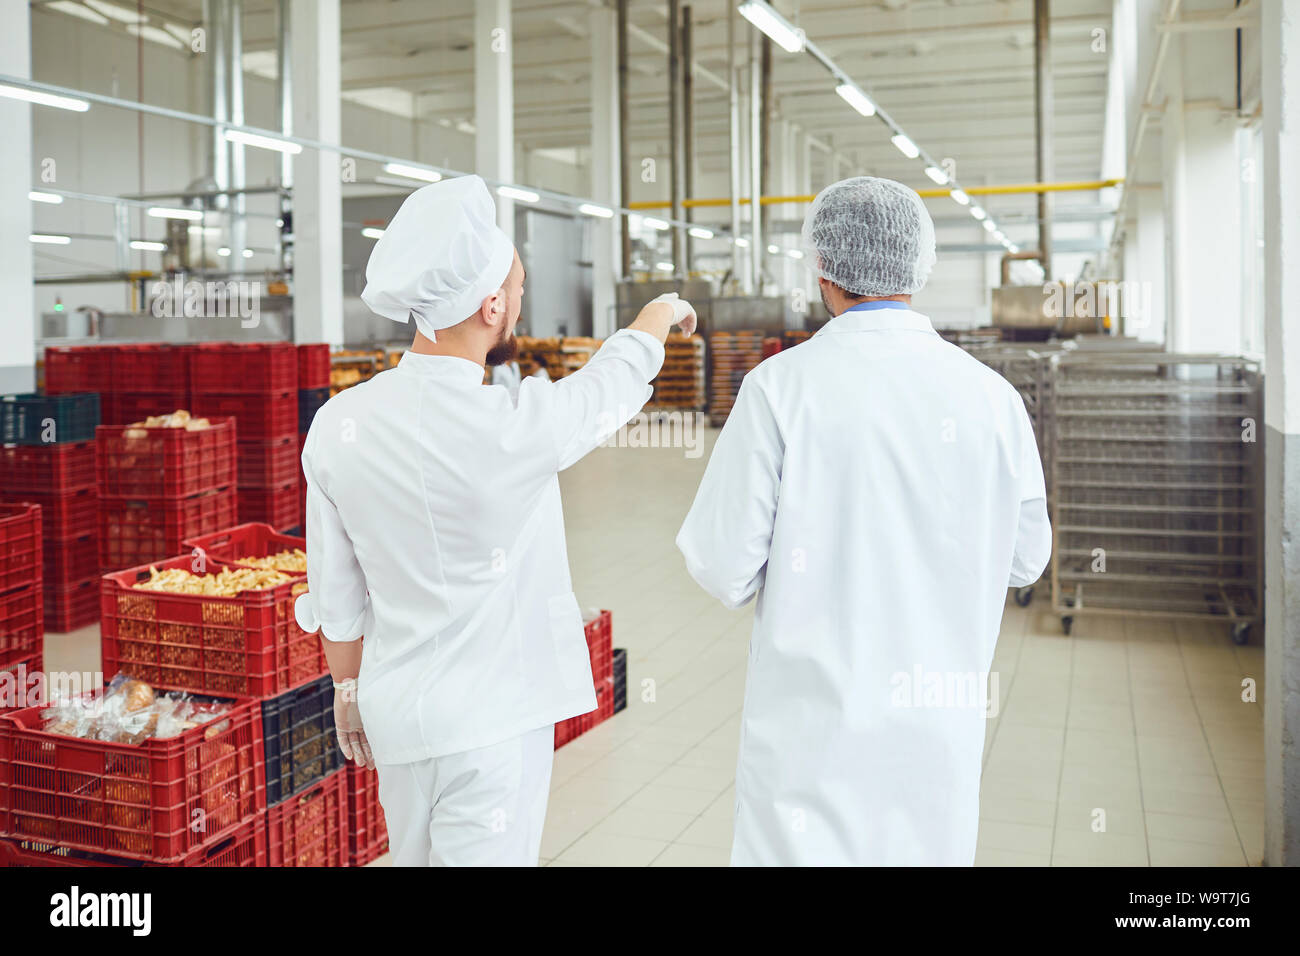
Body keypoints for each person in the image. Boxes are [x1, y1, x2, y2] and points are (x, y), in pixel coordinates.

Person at [294, 175, 696, 866]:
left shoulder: (339, 425)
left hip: (398, 720)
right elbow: (608, 389)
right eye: (515, 290)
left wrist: (349, 691)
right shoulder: (510, 425)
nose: (517, 304)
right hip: (490, 730)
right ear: (489, 307)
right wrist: (657, 314)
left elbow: (336, 594)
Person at [675, 176, 1051, 866]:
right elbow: (1026, 561)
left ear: (823, 270)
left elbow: (723, 566)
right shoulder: (992, 399)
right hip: (934, 745)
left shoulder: (780, 389)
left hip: (810, 750)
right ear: (918, 265)